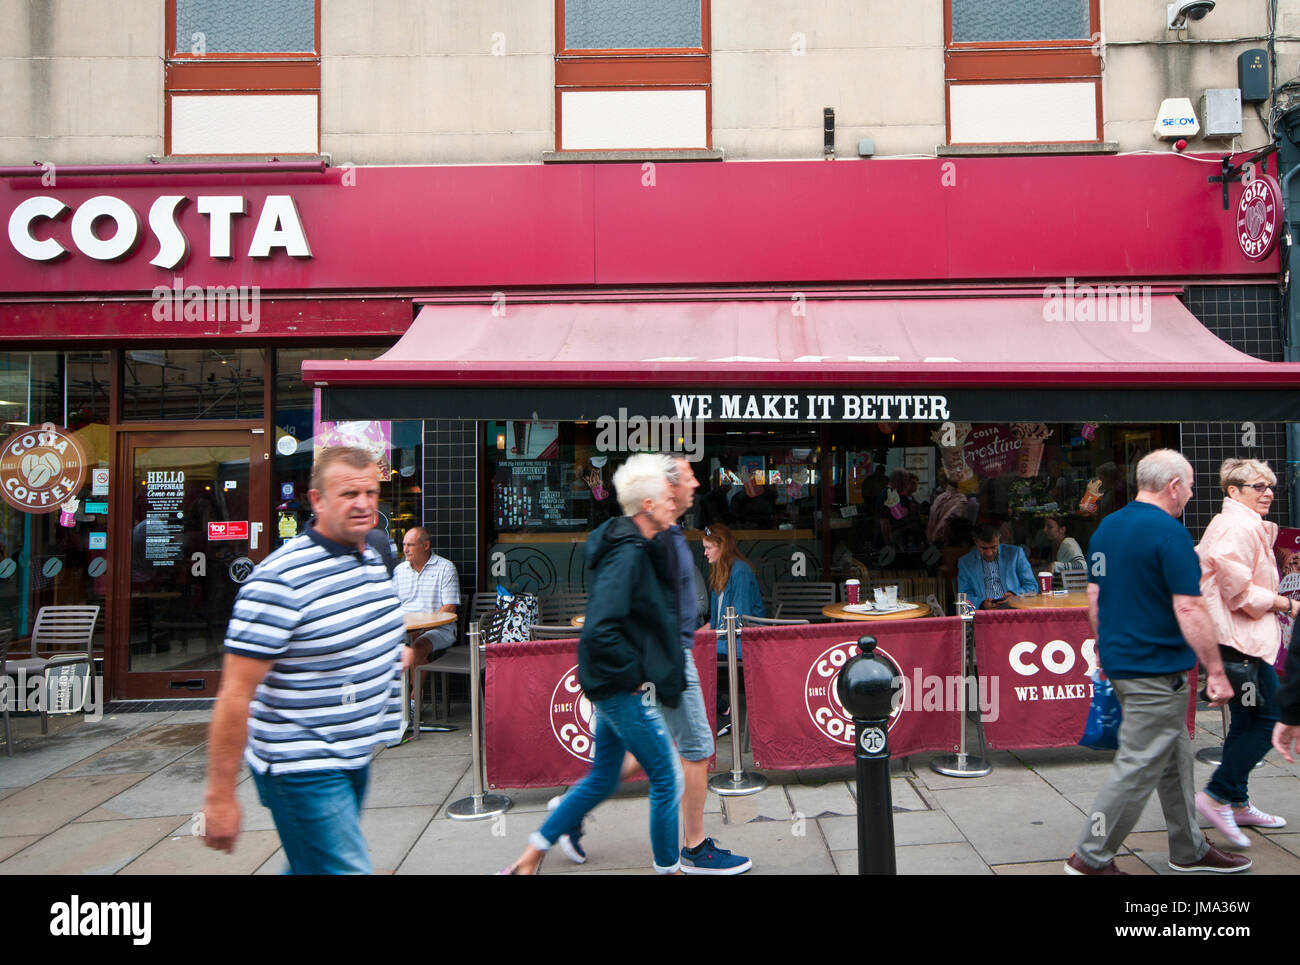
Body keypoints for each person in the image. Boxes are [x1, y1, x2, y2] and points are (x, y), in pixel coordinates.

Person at [201, 447, 410, 874]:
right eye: (349, 493)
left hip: (354, 751)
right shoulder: (279, 581)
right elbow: (235, 694)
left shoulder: (372, 556)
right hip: (302, 762)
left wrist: (391, 654)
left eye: (371, 492)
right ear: (317, 501)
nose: (364, 503)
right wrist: (219, 797)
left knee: (309, 866)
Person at [500, 453, 685, 874]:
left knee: (603, 777)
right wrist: (633, 676)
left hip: (606, 682)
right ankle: (668, 867)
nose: (674, 502)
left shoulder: (634, 544)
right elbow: (601, 627)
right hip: (616, 685)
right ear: (648, 505)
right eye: (667, 496)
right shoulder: (629, 553)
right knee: (666, 776)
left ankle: (532, 853)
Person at [1065, 449, 1248, 875]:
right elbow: (1189, 608)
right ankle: (1089, 857)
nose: (1190, 493)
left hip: (1127, 665)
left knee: (1174, 757)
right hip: (1156, 671)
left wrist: (1108, 653)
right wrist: (1216, 672)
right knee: (1138, 765)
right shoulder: (1171, 535)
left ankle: (1189, 848)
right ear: (1172, 486)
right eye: (1189, 486)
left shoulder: (1108, 527)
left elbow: (1095, 600)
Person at [1193, 459, 1294, 846]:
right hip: (1239, 643)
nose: (1267, 492)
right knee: (1272, 719)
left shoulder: (1240, 524)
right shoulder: (1236, 526)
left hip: (1238, 642)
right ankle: (1218, 795)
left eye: (1270, 486)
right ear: (1233, 491)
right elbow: (1241, 593)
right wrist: (1286, 605)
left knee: (1247, 722)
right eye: (1257, 486)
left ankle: (1236, 801)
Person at [393, 526, 460, 655]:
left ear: (426, 546)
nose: (405, 550)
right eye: (404, 545)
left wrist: (421, 631)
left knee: (417, 648)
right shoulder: (399, 570)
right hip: (404, 629)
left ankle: (413, 675)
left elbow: (450, 607)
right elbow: (393, 605)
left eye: (410, 545)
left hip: (438, 629)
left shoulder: (445, 568)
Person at [702, 522, 764, 654]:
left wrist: (705, 640)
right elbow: (714, 623)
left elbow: (737, 620)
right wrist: (694, 637)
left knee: (697, 652)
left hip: (742, 643)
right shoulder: (720, 572)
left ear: (722, 547)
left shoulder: (740, 571)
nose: (705, 553)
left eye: (708, 548)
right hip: (725, 640)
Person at [956, 523, 1037, 609]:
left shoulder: (1015, 554)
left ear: (999, 540)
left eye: (993, 547)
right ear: (975, 541)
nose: (989, 553)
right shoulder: (965, 562)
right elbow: (964, 596)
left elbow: (1032, 586)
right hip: (984, 614)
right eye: (984, 548)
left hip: (1014, 609)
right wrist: (981, 604)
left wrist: (1015, 594)